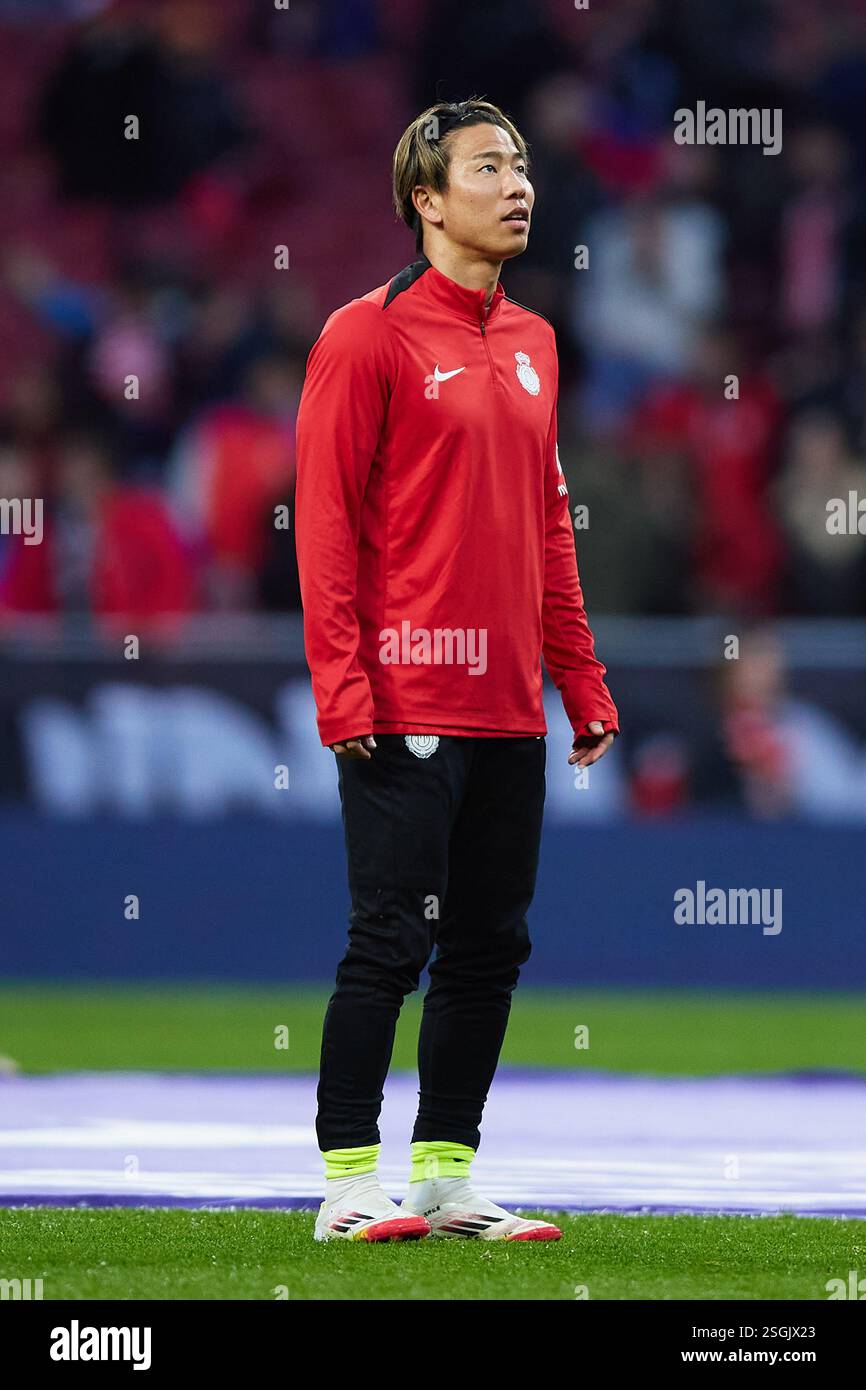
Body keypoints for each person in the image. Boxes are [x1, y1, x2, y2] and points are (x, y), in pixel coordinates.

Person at [295, 98, 618, 1243]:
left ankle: (443, 1174)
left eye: (522, 164)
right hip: (401, 696)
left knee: (489, 942)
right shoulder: (364, 334)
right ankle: (345, 1181)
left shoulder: (533, 343)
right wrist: (343, 691)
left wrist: (577, 678)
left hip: (503, 703)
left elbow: (547, 525)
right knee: (388, 936)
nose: (518, 183)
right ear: (426, 199)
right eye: (489, 167)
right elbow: (324, 526)